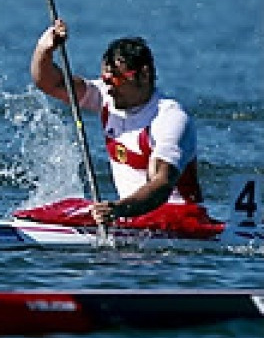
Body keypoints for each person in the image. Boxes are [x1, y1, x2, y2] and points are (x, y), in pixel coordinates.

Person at [31, 19, 206, 227]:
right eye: (105, 80)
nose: (109, 88)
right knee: (61, 208)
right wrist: (45, 48)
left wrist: (118, 210)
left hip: (177, 216)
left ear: (144, 75)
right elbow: (51, 83)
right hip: (129, 214)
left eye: (115, 80)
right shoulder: (107, 97)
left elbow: (162, 184)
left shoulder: (170, 118)